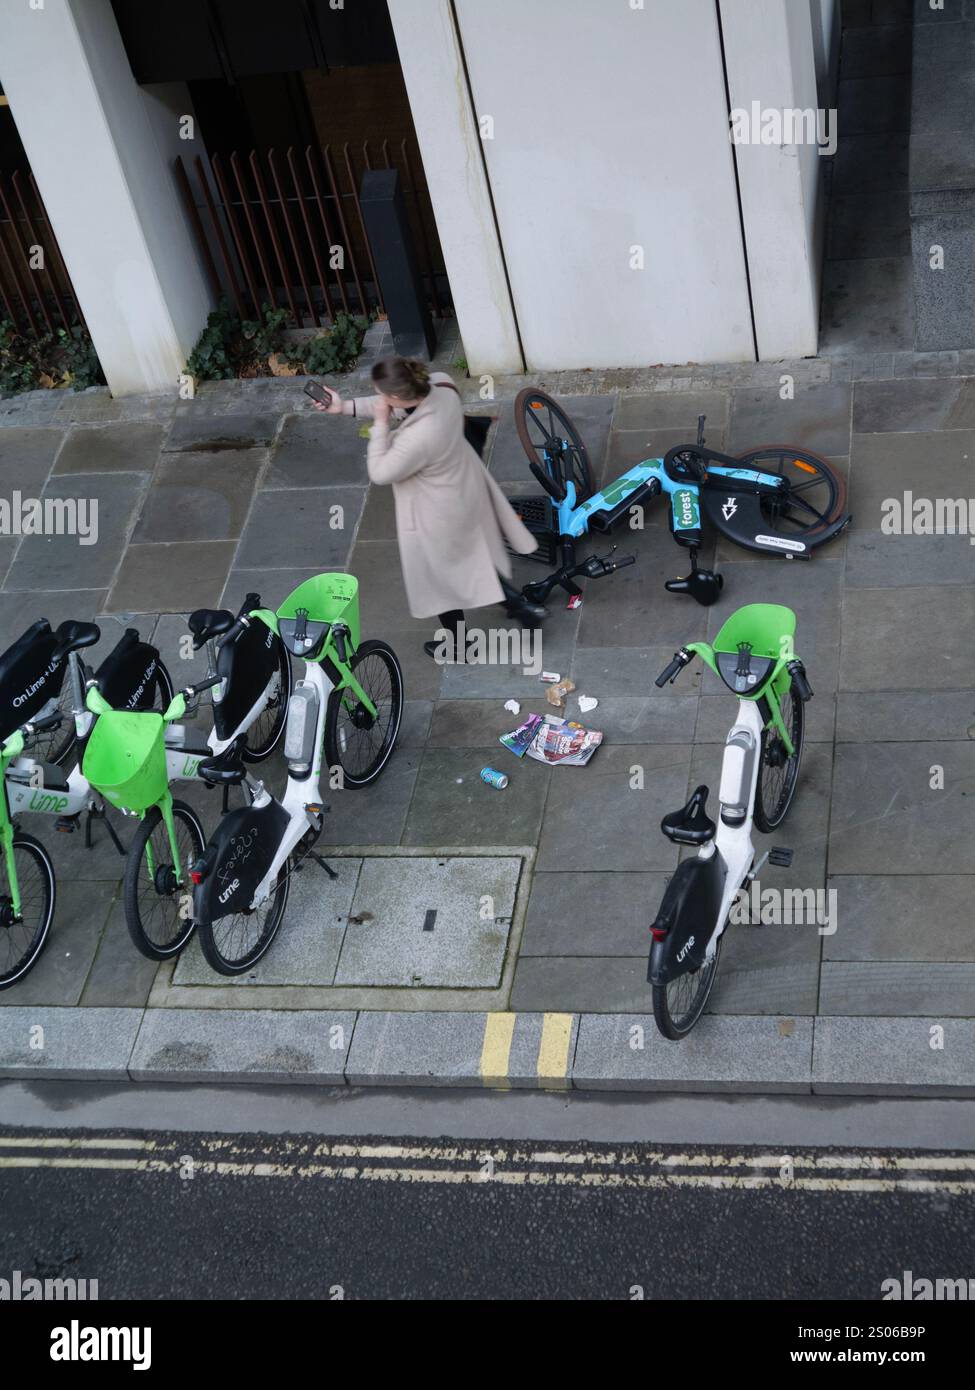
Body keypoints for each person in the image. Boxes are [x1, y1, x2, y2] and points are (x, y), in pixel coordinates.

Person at [312, 355, 544, 659]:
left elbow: (381, 472)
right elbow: (398, 404)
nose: (381, 399)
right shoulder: (441, 384)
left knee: (440, 583)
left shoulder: (420, 436)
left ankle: (461, 644)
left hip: (437, 512)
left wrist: (380, 424)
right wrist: (345, 407)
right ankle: (523, 609)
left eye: (384, 394)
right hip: (463, 486)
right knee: (470, 561)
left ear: (397, 396)